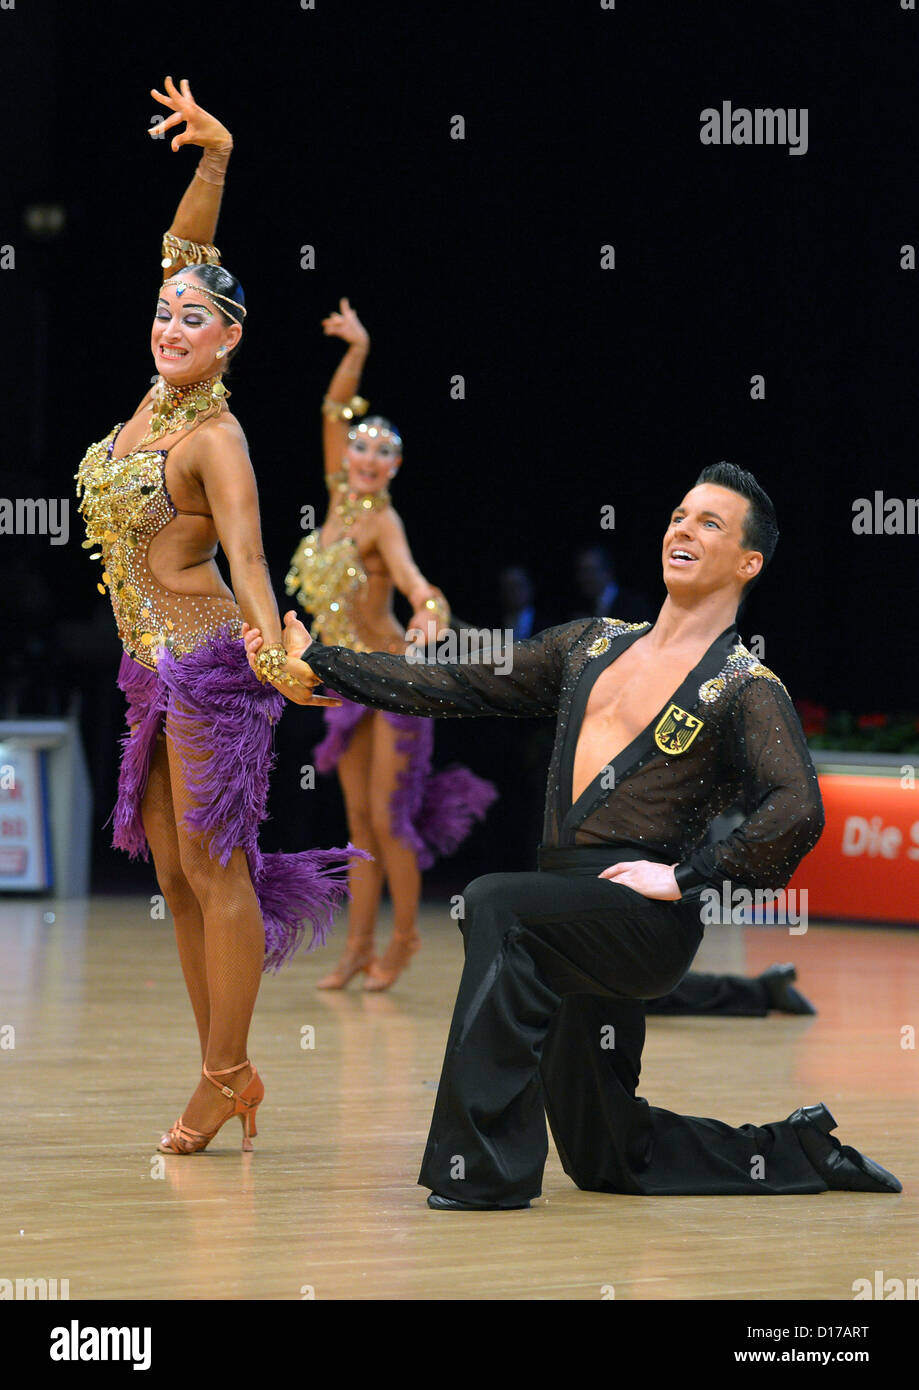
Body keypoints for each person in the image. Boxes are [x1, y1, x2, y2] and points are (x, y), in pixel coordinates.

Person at [244, 462, 901, 1207]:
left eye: (708, 522)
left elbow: (796, 808)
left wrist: (686, 880)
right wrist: (322, 664)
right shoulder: (592, 644)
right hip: (566, 908)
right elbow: (462, 678)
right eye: (679, 515)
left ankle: (483, 1171)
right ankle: (799, 1151)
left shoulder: (746, 686)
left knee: (494, 902)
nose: (682, 528)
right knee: (608, 1154)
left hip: (638, 917)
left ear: (748, 562)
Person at [75, 79, 365, 1156]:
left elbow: (247, 555)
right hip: (148, 671)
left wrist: (273, 639)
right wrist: (217, 159)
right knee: (173, 870)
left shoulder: (218, 436)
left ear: (228, 341)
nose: (168, 324)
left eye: (192, 318)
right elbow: (180, 246)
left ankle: (227, 1071)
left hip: (208, 664)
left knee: (215, 866)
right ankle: (221, 1067)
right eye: (163, 311)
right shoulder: (153, 401)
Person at [283, 299, 496, 991]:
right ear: (346, 456)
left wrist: (431, 614)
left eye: (384, 452)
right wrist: (357, 348)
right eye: (360, 446)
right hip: (350, 683)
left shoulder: (382, 523)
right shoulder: (336, 500)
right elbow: (331, 407)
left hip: (396, 680)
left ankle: (402, 940)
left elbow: (419, 586)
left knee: (386, 817)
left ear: (396, 467)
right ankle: (355, 947)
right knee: (355, 822)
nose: (368, 457)